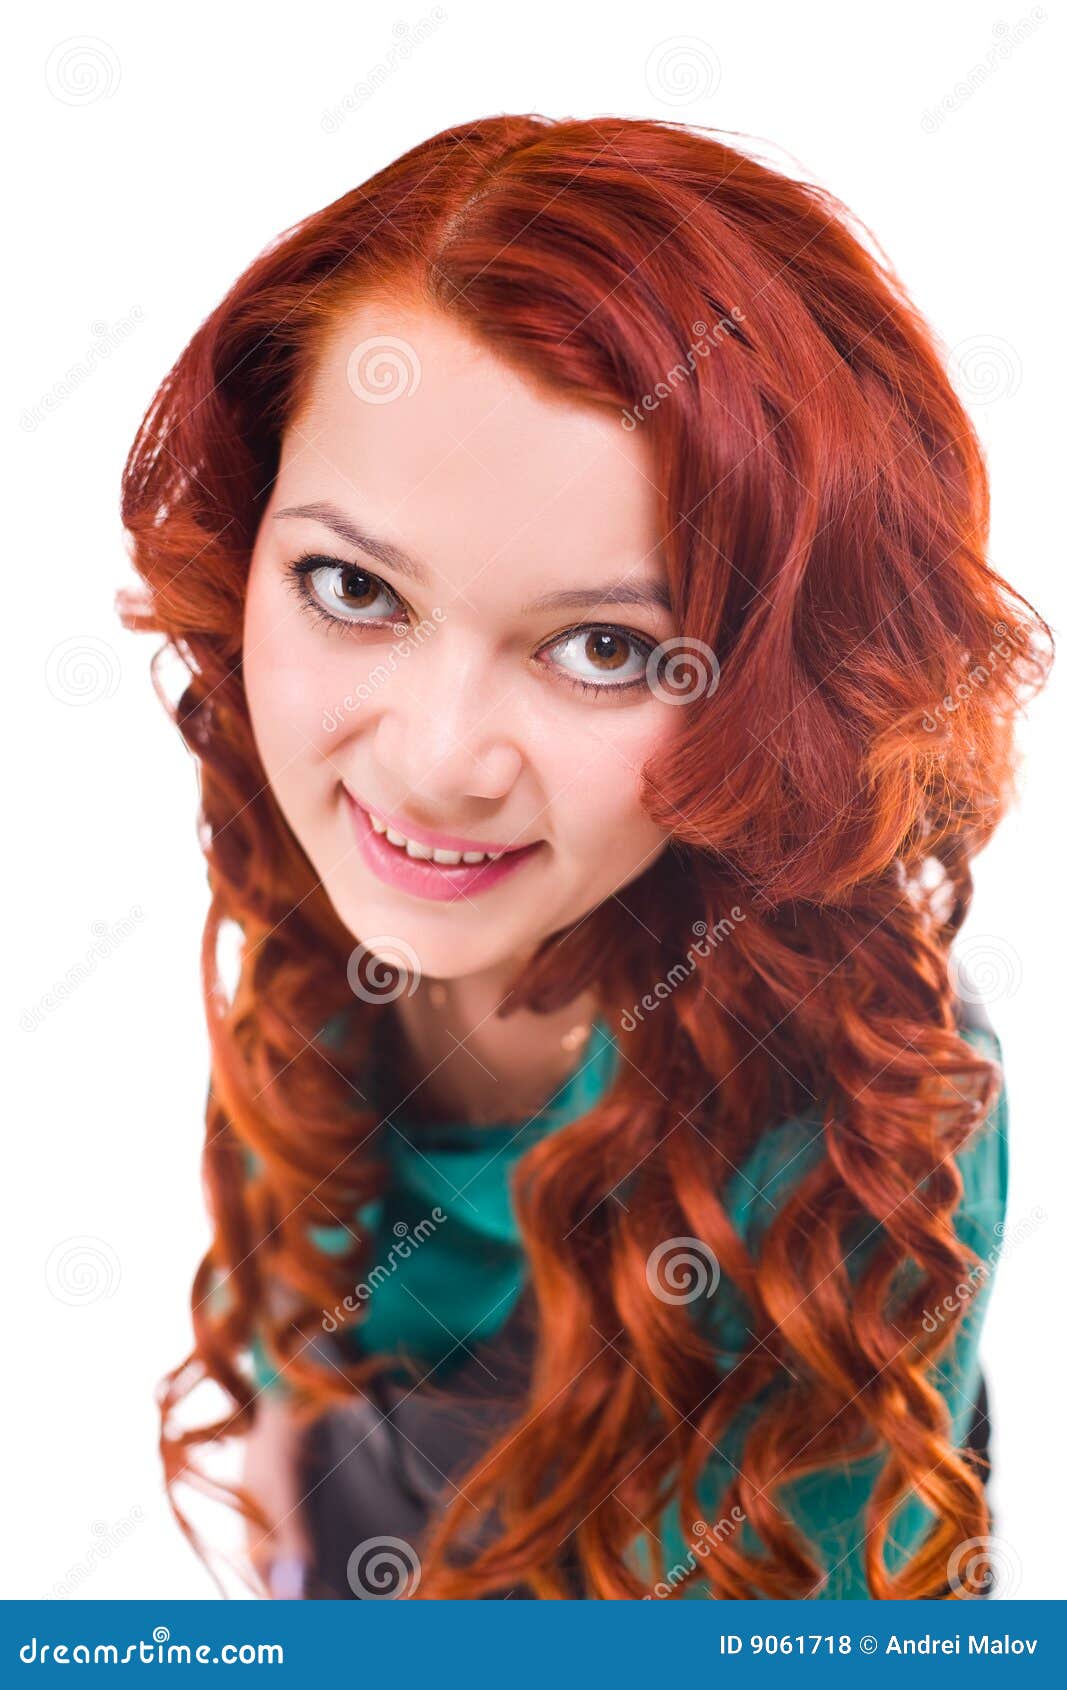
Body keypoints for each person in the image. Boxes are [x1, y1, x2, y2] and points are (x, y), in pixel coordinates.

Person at [117, 113, 1052, 1600]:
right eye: (352, 584)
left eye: (607, 646)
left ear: (770, 690)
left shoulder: (866, 1126)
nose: (435, 762)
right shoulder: (323, 908)